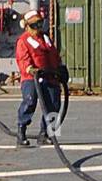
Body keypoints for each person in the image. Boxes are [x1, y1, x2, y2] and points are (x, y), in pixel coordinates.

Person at [14, 10, 67, 146]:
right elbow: (22, 59)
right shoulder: (23, 41)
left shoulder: (46, 38)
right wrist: (30, 69)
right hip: (32, 78)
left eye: (39, 24)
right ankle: (21, 131)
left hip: (50, 76)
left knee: (54, 104)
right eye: (34, 26)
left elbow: (54, 54)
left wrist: (60, 67)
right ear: (26, 26)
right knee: (30, 101)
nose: (37, 29)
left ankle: (46, 133)